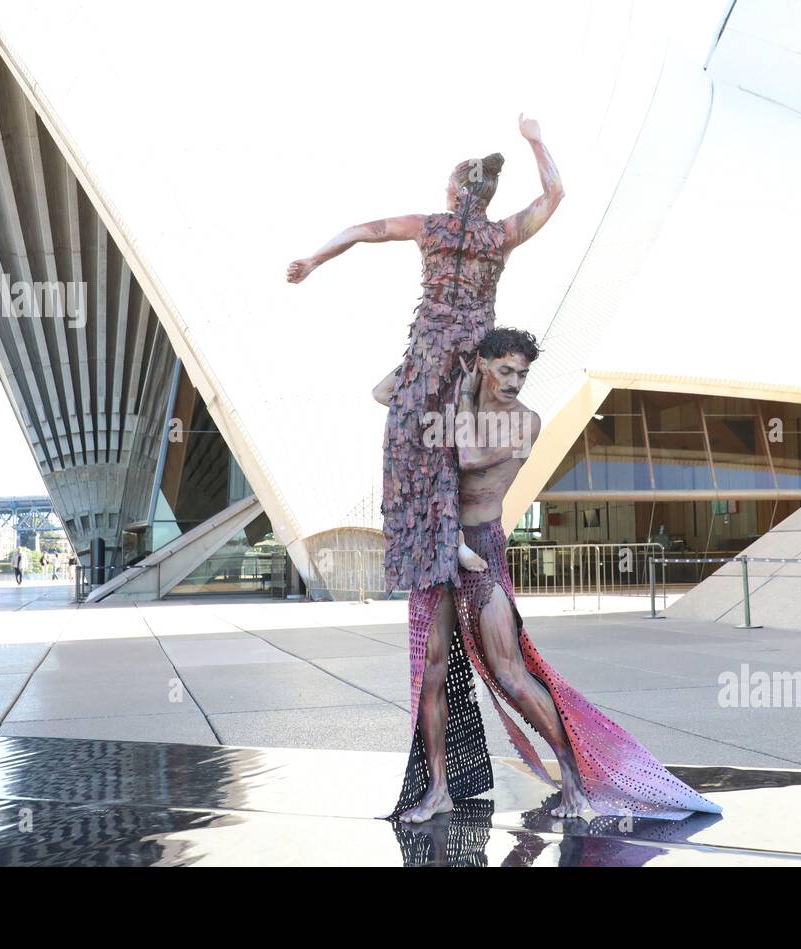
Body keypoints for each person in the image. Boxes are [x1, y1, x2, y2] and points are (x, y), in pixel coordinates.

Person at [387, 328, 723, 823]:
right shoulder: (453, 407)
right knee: (431, 673)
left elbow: (469, 458)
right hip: (438, 546)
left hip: (481, 549)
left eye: (522, 373)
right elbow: (385, 396)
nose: (514, 382)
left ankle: (574, 779)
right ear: (482, 364)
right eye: (505, 370)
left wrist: (462, 395)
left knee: (511, 672)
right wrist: (427, 352)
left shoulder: (523, 422)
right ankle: (438, 790)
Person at [288, 113, 564, 595]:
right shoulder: (500, 236)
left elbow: (361, 230)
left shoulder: (429, 227)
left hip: (431, 351)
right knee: (444, 436)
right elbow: (553, 195)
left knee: (420, 440)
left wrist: (314, 259)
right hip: (471, 354)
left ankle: (445, 537)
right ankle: (450, 536)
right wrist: (536, 142)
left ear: (454, 192)